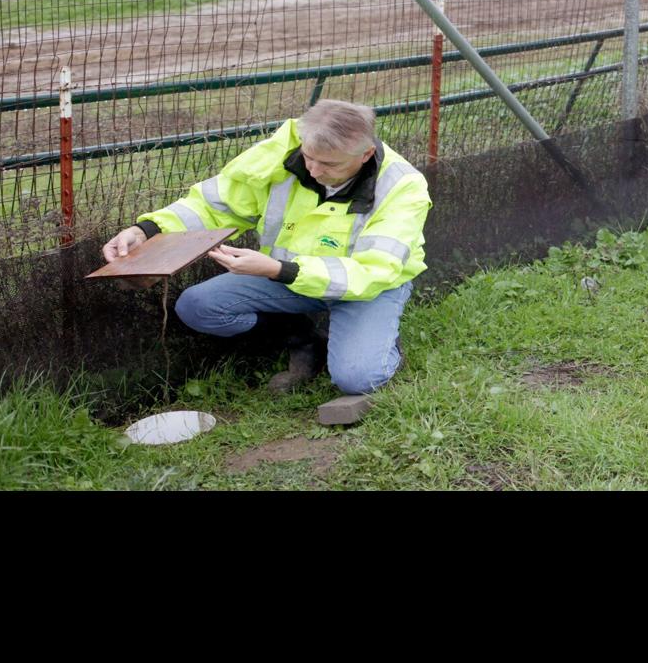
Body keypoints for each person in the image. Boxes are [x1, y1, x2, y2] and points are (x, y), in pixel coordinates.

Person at [102, 100, 432, 424]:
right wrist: (147, 230)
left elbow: (373, 270)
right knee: (198, 306)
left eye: (329, 165)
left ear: (366, 155)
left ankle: (381, 346)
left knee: (358, 378)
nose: (314, 171)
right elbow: (216, 205)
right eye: (309, 157)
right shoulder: (281, 152)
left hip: (365, 288)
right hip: (286, 277)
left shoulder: (402, 187)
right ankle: (306, 340)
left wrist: (277, 269)